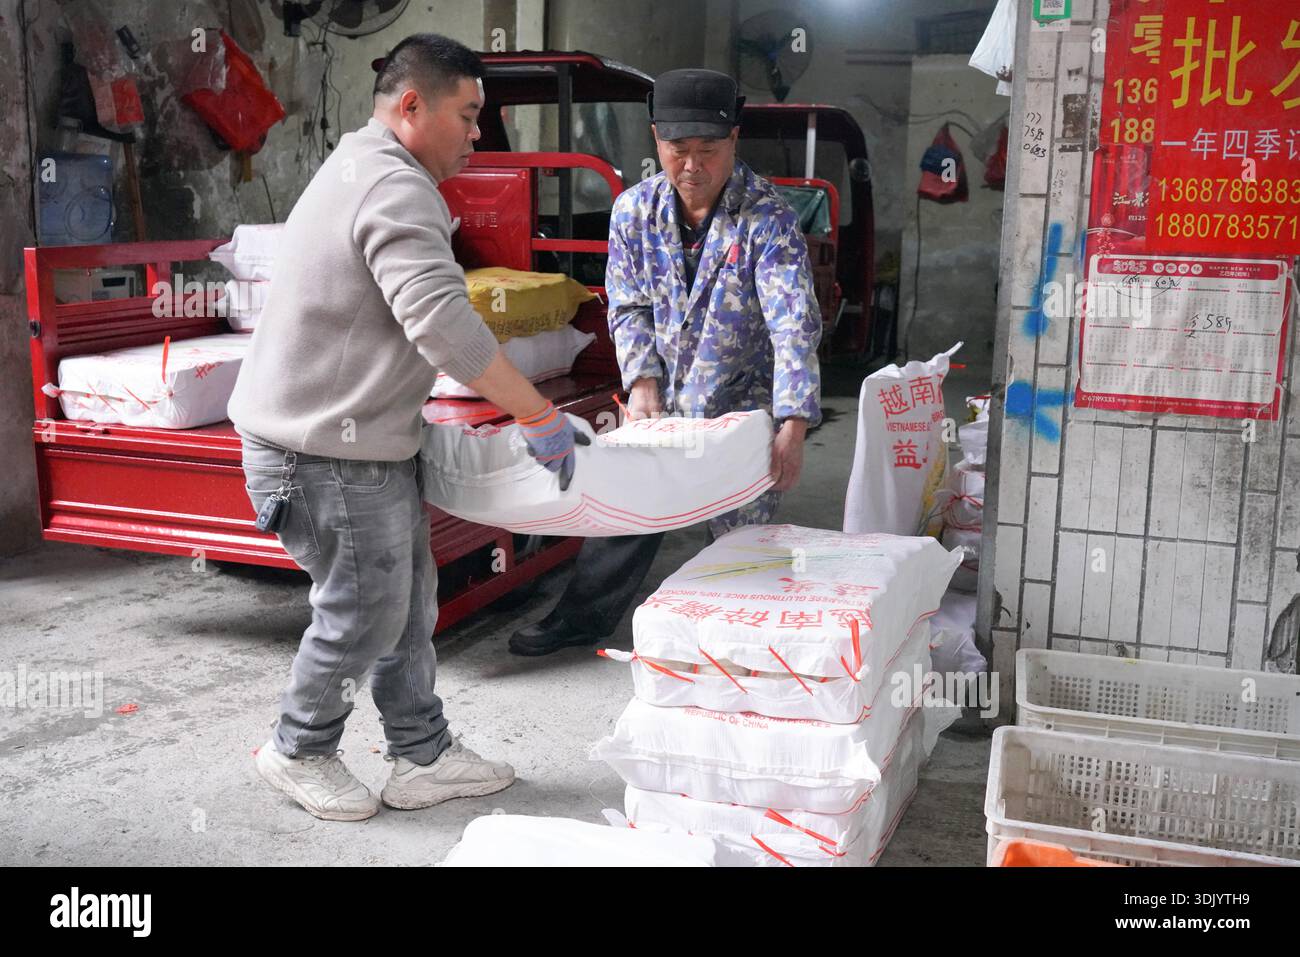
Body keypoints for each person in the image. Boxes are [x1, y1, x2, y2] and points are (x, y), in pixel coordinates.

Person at [227, 34, 587, 821]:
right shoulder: (393, 185)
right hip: (317, 450)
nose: (478, 133)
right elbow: (440, 323)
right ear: (412, 105)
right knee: (363, 608)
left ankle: (421, 752)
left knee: (407, 597)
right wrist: (535, 410)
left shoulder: (372, 167)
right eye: (468, 114)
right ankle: (300, 746)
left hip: (356, 441)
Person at [509, 68, 821, 657]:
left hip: (742, 406)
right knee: (628, 511)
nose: (693, 167)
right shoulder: (634, 213)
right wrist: (643, 383)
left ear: (735, 141)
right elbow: (627, 307)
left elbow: (792, 324)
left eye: (709, 151)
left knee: (742, 541)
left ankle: (741, 648)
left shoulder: (769, 220)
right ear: (657, 140)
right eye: (679, 151)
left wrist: (794, 423)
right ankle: (581, 619)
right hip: (663, 400)